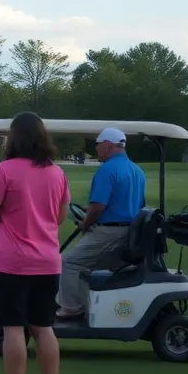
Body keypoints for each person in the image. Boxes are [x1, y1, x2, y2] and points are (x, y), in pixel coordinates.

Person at [0, 112, 69, 374]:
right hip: (47, 260)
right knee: (43, 327)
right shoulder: (56, 173)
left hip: (13, 261)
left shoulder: (5, 170)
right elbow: (59, 217)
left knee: (13, 326)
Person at [54, 128, 147, 320]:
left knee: (68, 262)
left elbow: (98, 207)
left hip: (110, 232)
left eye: (98, 145)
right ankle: (82, 304)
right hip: (128, 233)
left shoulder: (107, 170)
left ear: (107, 144)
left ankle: (71, 307)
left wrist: (85, 225)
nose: (96, 149)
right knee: (83, 265)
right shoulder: (137, 171)